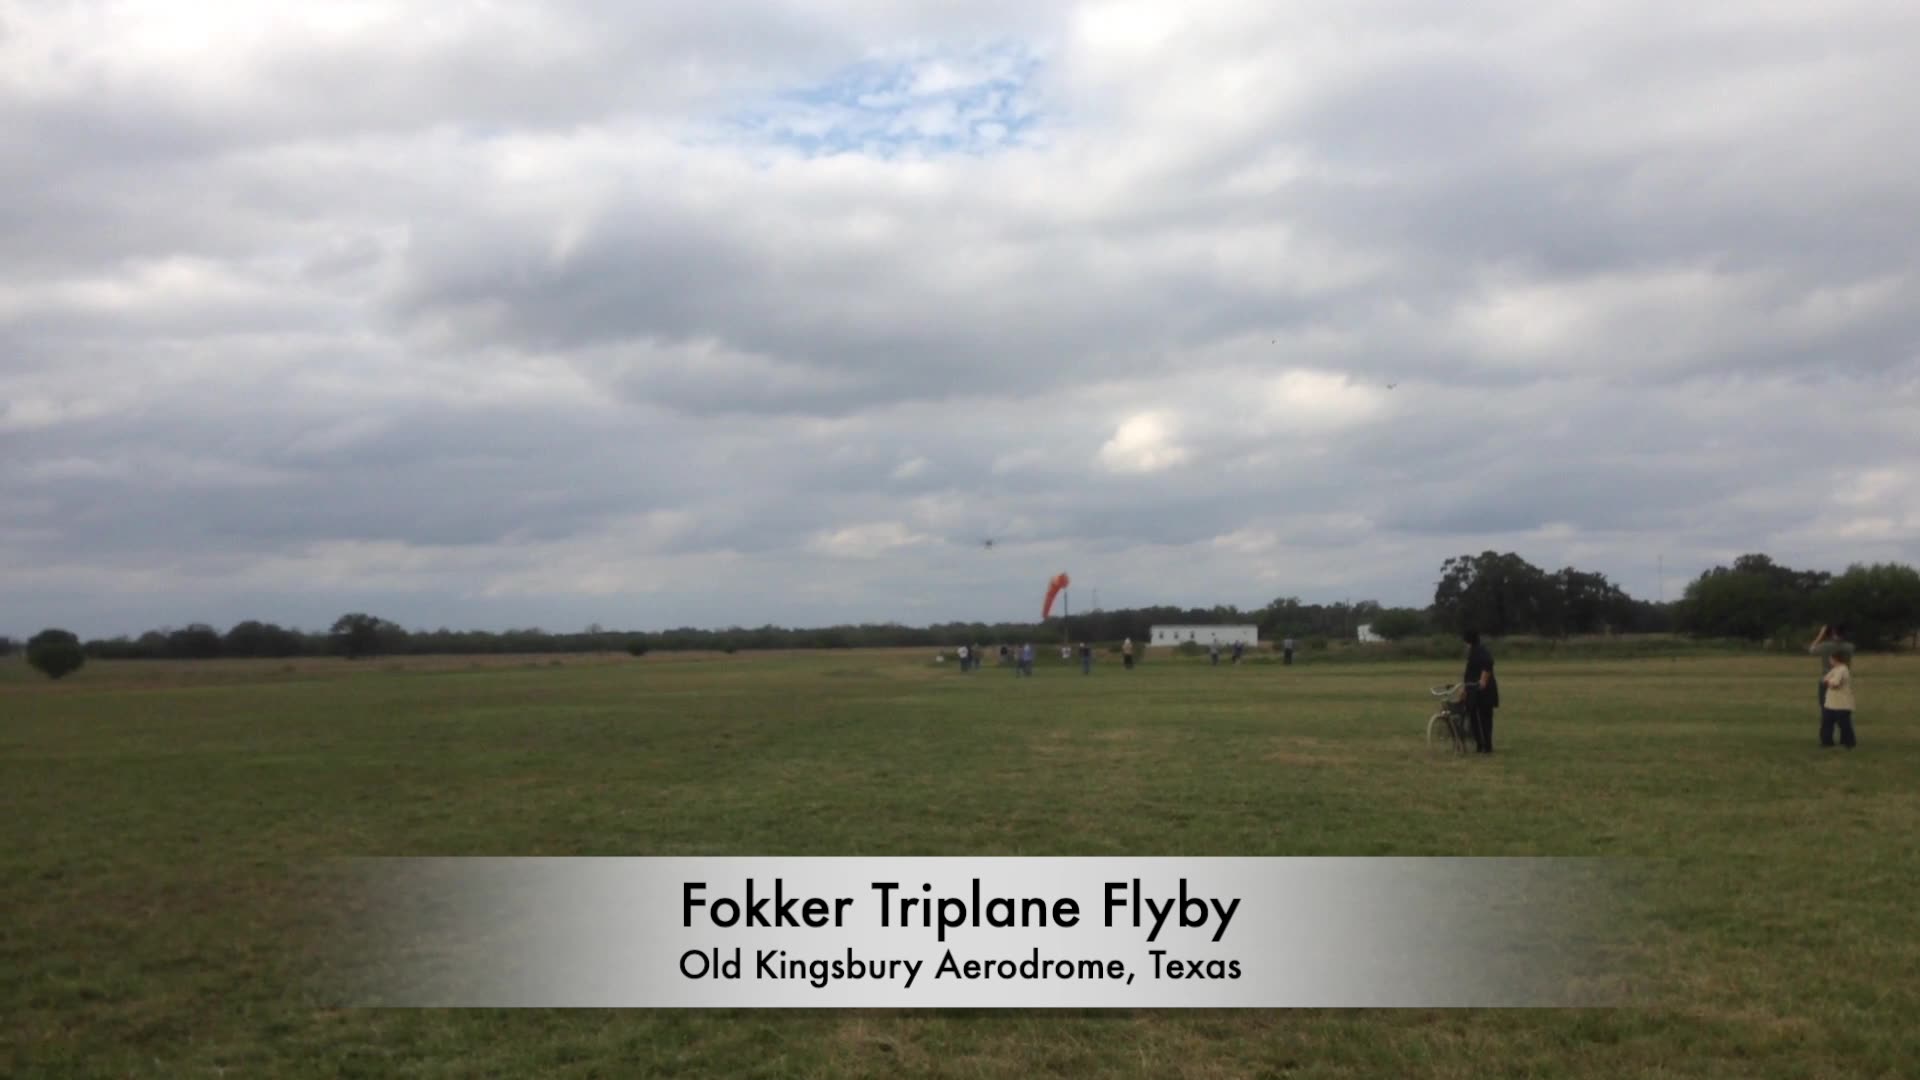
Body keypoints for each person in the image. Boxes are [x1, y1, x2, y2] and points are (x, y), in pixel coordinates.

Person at [1461, 629, 1499, 754]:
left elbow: (1488, 664)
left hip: (1485, 691)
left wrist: (1483, 680)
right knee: (1473, 718)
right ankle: (1479, 745)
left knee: (1485, 719)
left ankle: (1487, 746)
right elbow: (1469, 673)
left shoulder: (1481, 651)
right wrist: (1464, 689)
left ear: (1468, 642)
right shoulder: (1472, 653)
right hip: (1473, 690)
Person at [1808, 623, 1853, 714]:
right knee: (1842, 708)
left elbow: (1811, 650)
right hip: (1842, 679)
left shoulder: (1826, 646)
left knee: (1826, 710)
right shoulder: (1849, 647)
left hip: (1827, 680)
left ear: (1833, 632)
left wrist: (1821, 635)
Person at [1820, 649, 1857, 749]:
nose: (1830, 661)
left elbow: (1835, 683)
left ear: (1835, 659)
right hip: (1831, 703)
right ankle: (1827, 742)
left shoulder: (1842, 669)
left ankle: (1849, 742)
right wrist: (1828, 681)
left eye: (1831, 659)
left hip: (1842, 704)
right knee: (1827, 723)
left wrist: (1828, 682)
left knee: (1844, 724)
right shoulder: (1835, 669)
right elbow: (1824, 679)